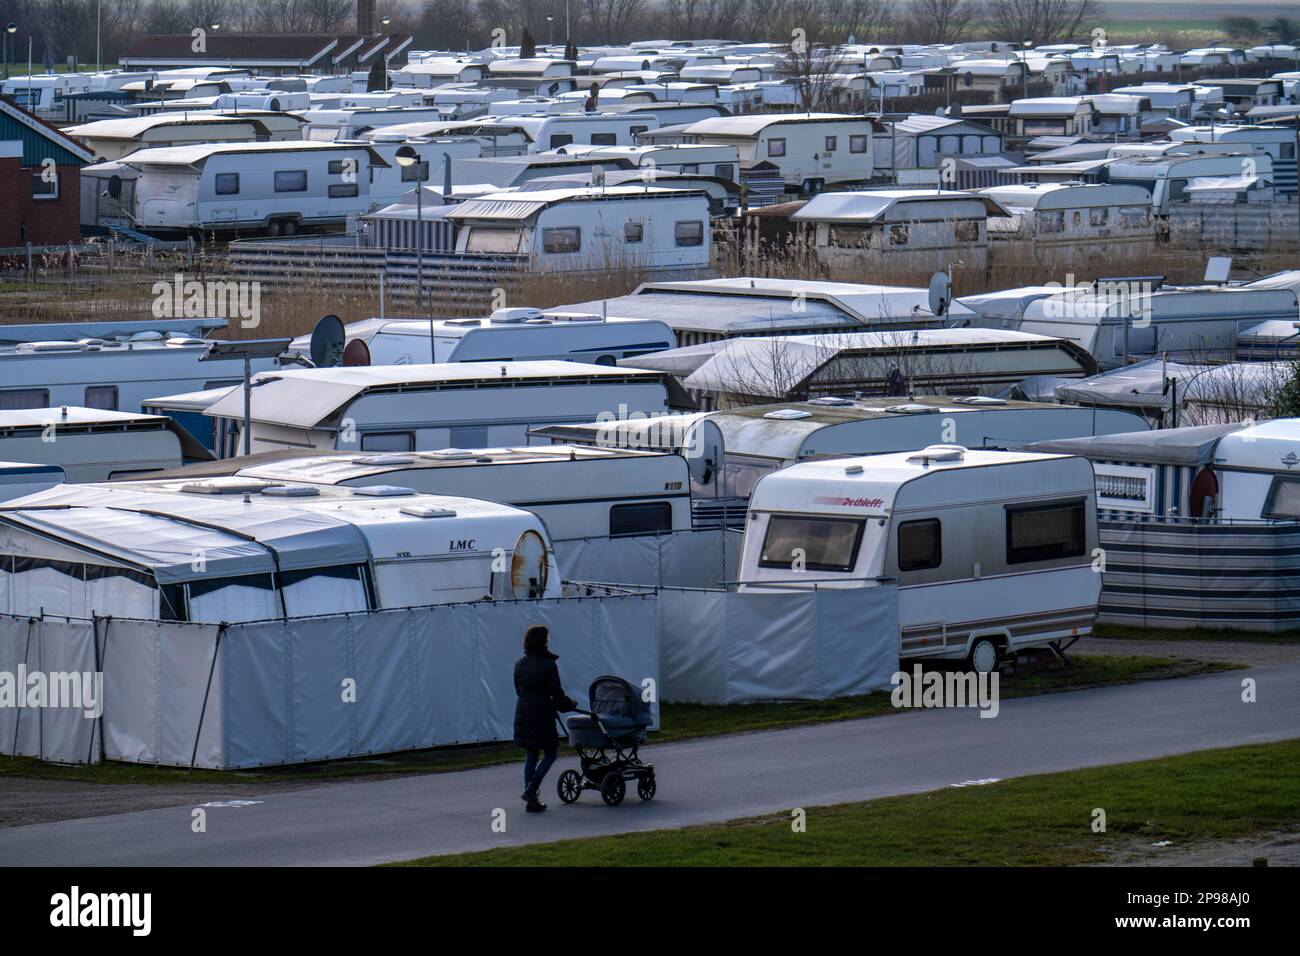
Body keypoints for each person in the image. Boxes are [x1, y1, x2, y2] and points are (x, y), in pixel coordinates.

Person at [513, 624, 578, 812]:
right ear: (543, 641)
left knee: (531, 754)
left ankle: (531, 800)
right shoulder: (548, 665)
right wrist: (569, 704)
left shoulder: (520, 664)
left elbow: (518, 690)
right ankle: (531, 789)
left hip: (523, 710)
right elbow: (556, 694)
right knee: (551, 752)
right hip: (542, 711)